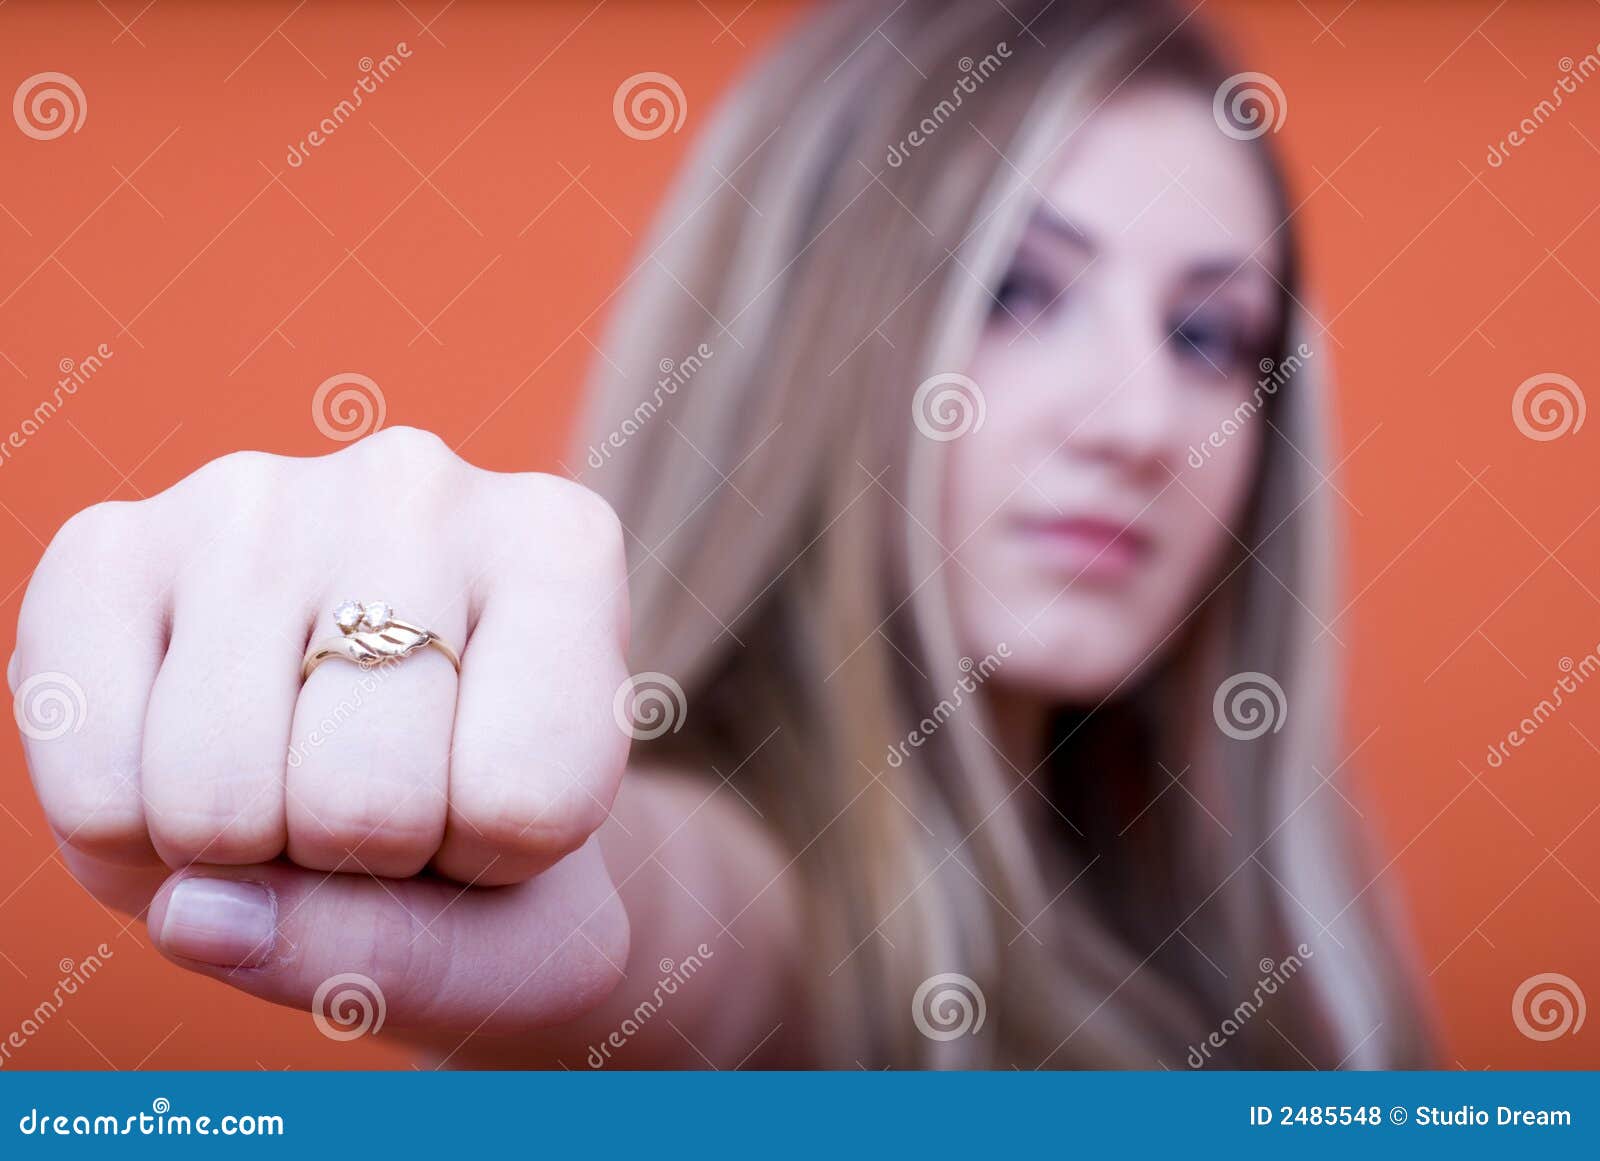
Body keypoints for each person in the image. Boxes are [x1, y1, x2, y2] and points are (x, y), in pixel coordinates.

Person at [10, 0, 1432, 1068]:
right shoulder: (742, 883)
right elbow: (680, 912)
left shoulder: (1255, 947)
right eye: (1015, 290)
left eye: (1206, 333)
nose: (1137, 417)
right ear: (797, 337)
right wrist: (429, 727)